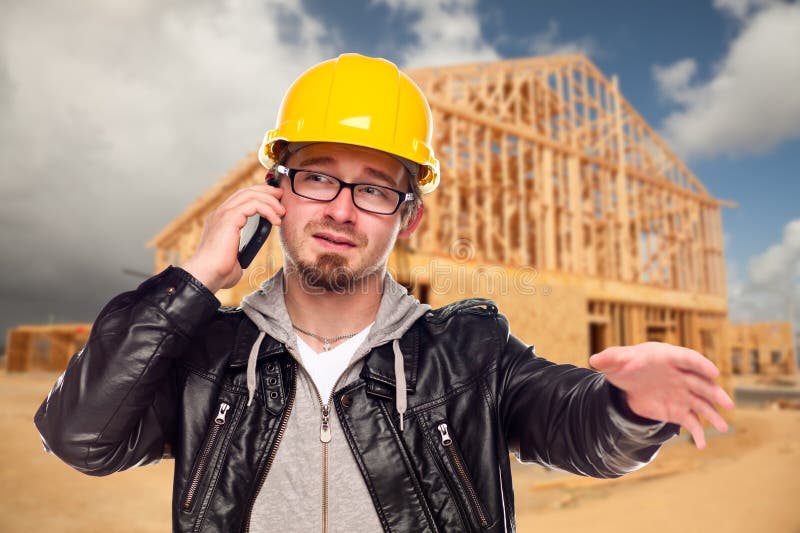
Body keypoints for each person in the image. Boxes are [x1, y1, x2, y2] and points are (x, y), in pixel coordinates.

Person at [34, 53, 734, 533]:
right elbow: (81, 435)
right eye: (317, 175)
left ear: (409, 215)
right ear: (277, 191)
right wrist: (192, 282)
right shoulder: (209, 358)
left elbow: (573, 424)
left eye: (373, 187)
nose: (341, 208)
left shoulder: (468, 355)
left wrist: (628, 407)